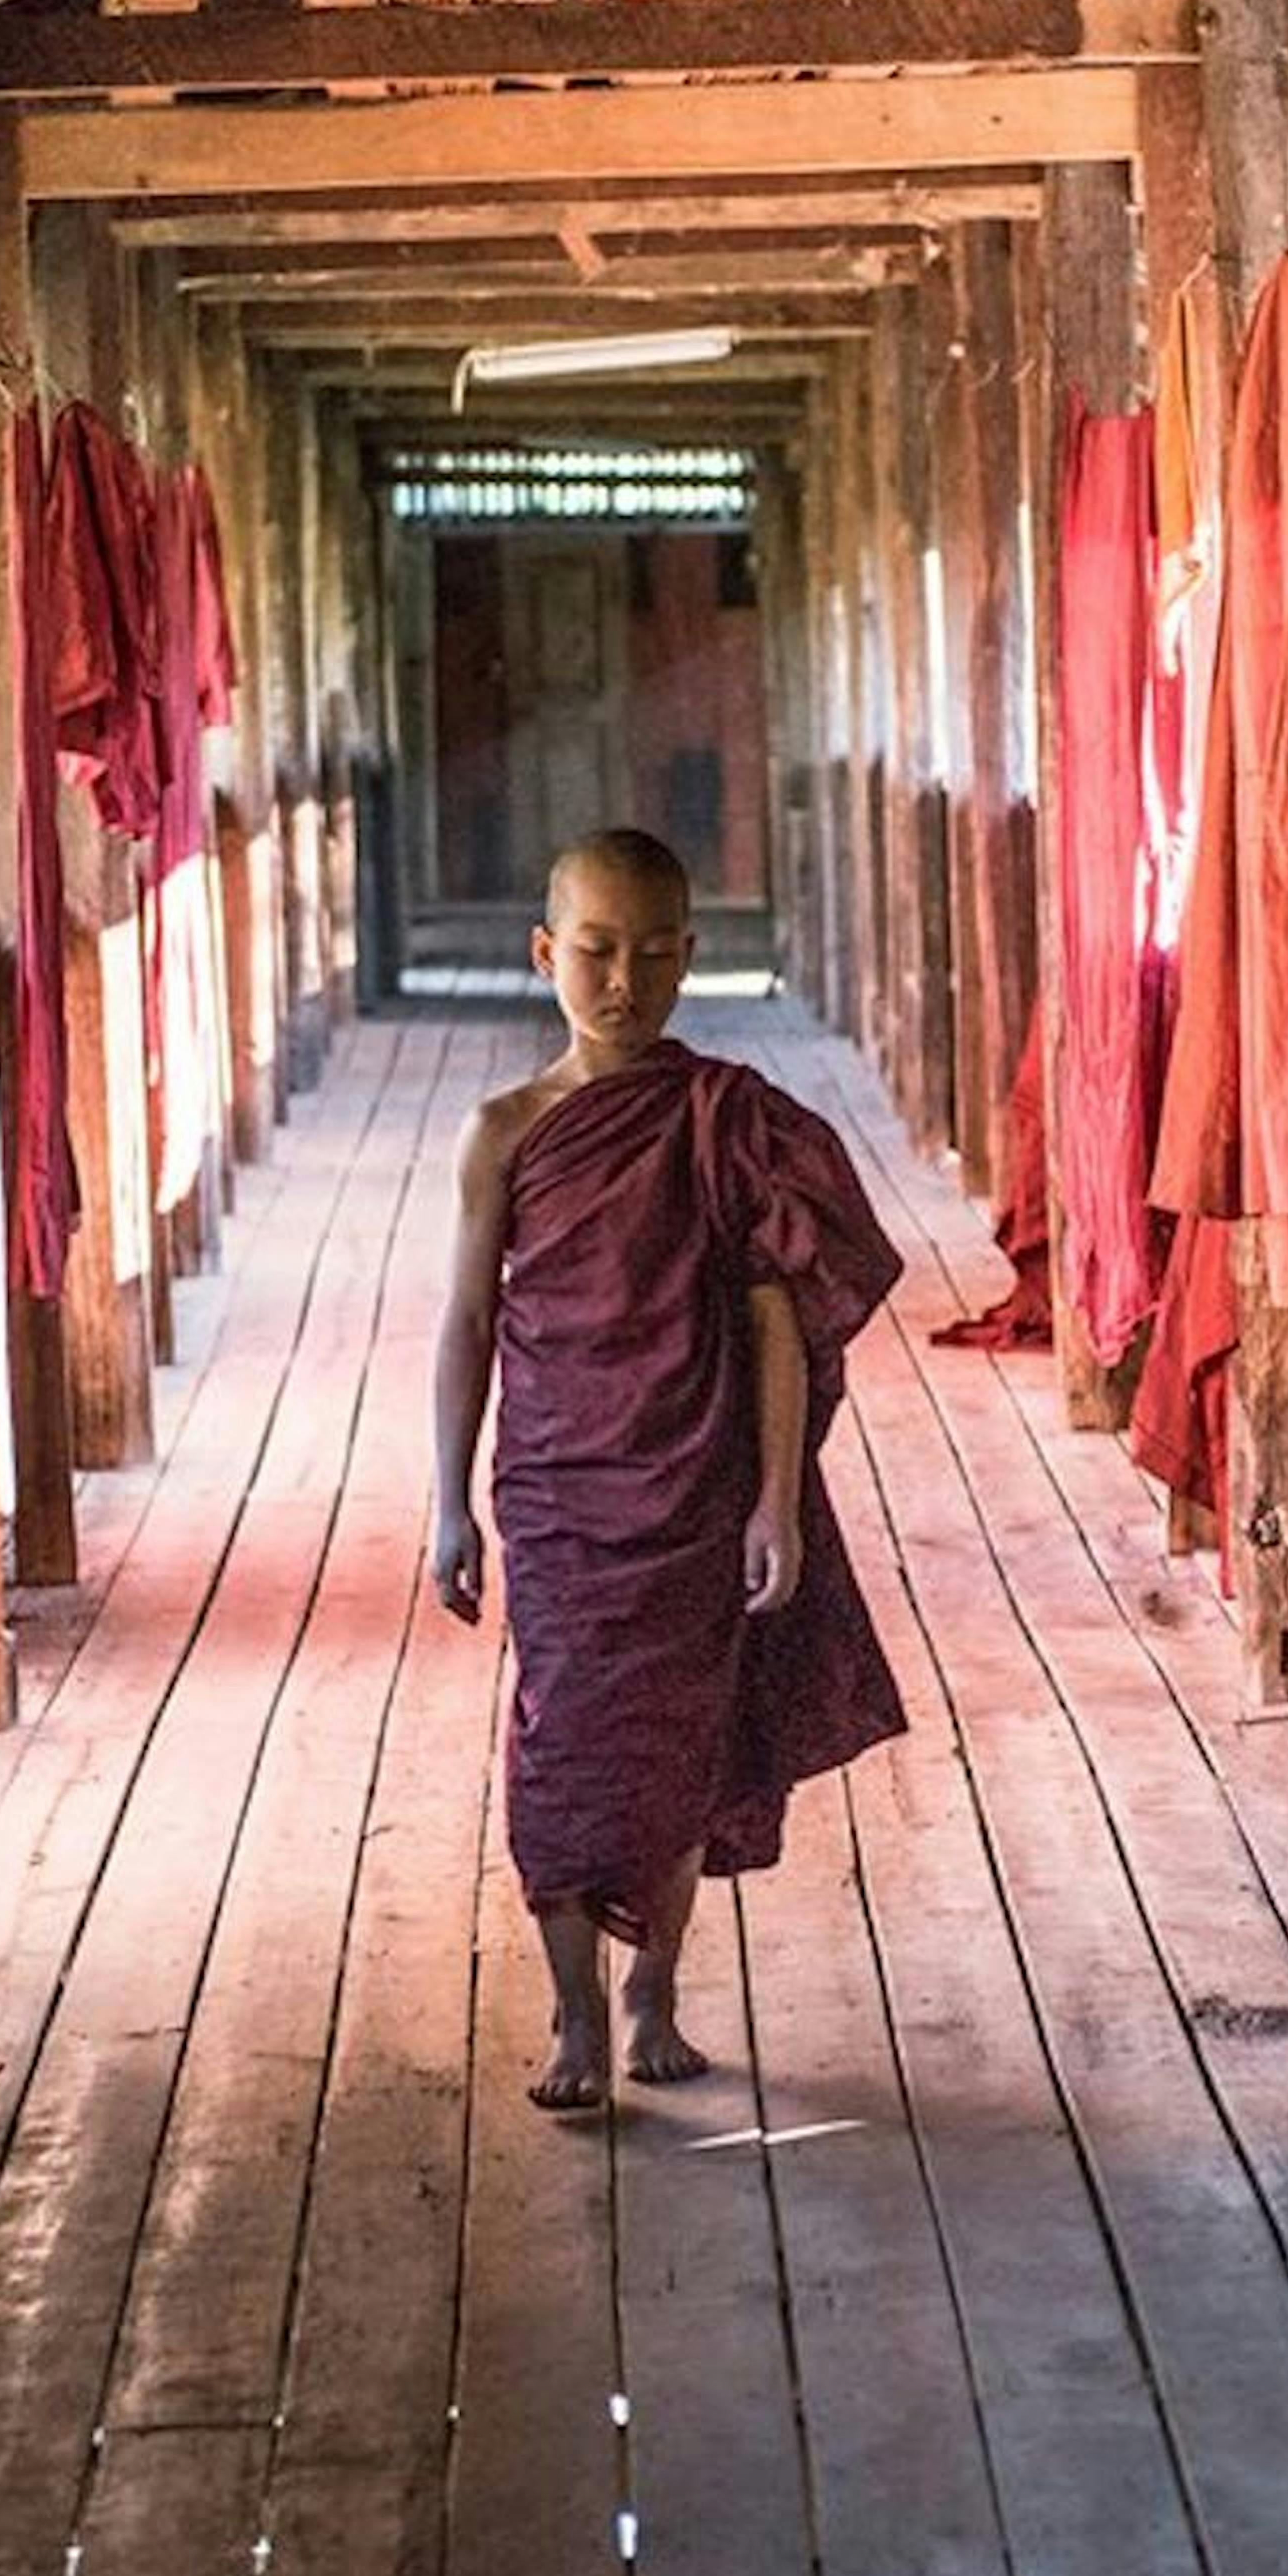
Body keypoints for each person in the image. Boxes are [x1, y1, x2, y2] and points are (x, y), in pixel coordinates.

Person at [432, 828, 909, 2109]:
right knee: (561, 1741)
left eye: (652, 955)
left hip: (691, 1476)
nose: (621, 982)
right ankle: (572, 2012)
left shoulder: (723, 1120)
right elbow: (468, 1322)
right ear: (546, 954)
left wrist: (772, 1500)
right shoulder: (504, 1133)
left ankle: (651, 1995)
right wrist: (448, 1501)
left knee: (674, 1745)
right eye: (593, 951)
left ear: (689, 960)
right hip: (556, 1485)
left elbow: (769, 1316)